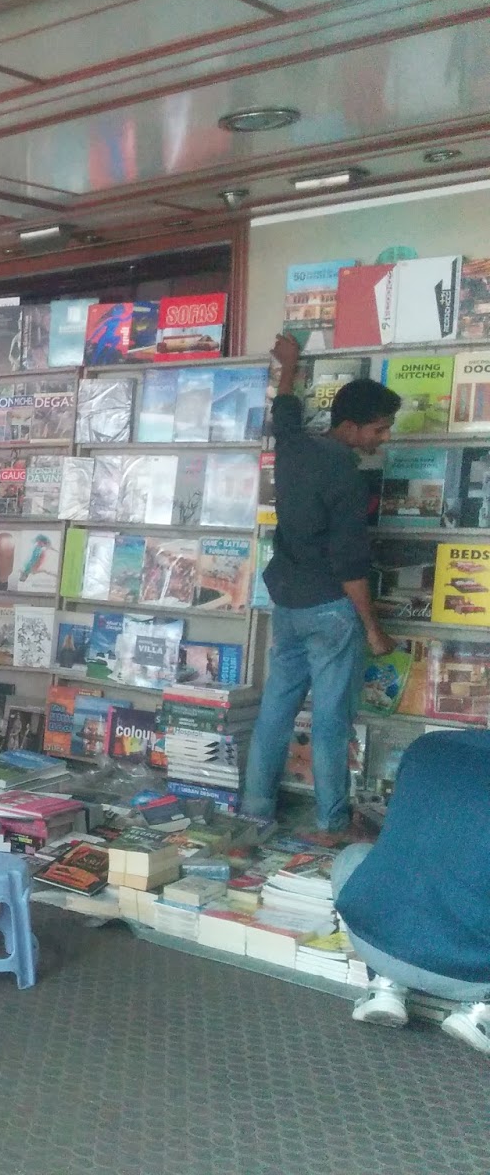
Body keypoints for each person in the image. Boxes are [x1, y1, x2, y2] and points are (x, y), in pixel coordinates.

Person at [243, 334, 400, 842]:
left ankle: (255, 811)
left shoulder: (293, 446)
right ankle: (331, 823)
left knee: (276, 709)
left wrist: (287, 364)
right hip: (330, 609)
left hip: (286, 601)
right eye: (378, 429)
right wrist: (373, 629)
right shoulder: (346, 478)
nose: (382, 438)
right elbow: (350, 564)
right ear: (350, 427)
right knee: (332, 719)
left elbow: (283, 411)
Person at [336, 730, 490, 1053]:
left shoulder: (426, 746)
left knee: (352, 858)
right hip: (470, 973)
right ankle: (481, 1010)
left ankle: (385, 987)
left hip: (379, 946)